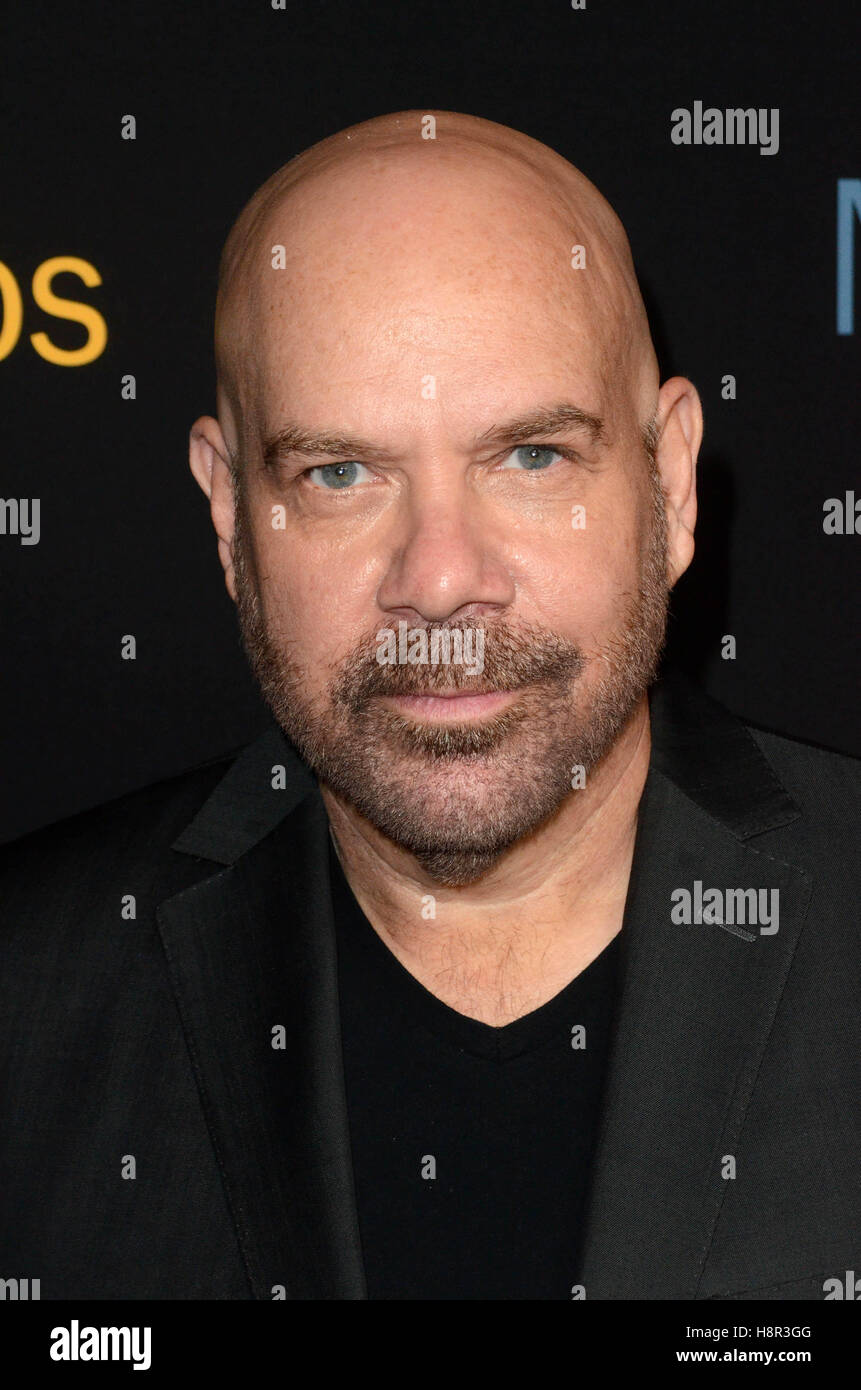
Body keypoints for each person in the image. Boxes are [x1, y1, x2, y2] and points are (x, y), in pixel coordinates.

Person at [1, 110, 858, 1300]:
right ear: (228, 516)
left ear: (670, 483)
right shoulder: (29, 1001)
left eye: (533, 456)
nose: (442, 577)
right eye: (341, 474)